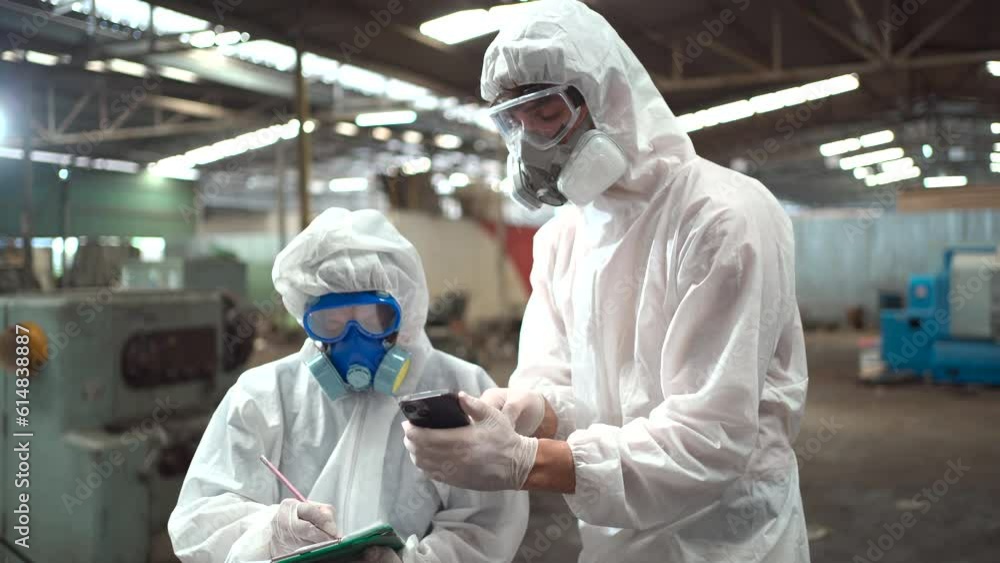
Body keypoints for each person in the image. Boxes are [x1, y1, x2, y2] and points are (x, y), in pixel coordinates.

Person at [402, 1, 811, 562]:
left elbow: (709, 439)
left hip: (727, 541)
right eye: (513, 122)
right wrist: (524, 411)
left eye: (545, 114)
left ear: (608, 97)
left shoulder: (721, 217)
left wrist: (526, 461)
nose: (530, 147)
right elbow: (572, 393)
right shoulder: (562, 238)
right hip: (613, 541)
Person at [168, 208, 528, 563]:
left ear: (405, 313)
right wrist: (269, 534)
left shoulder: (461, 386)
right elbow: (198, 519)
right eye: (331, 322)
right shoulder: (264, 394)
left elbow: (488, 521)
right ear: (305, 318)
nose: (354, 340)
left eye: (374, 319)